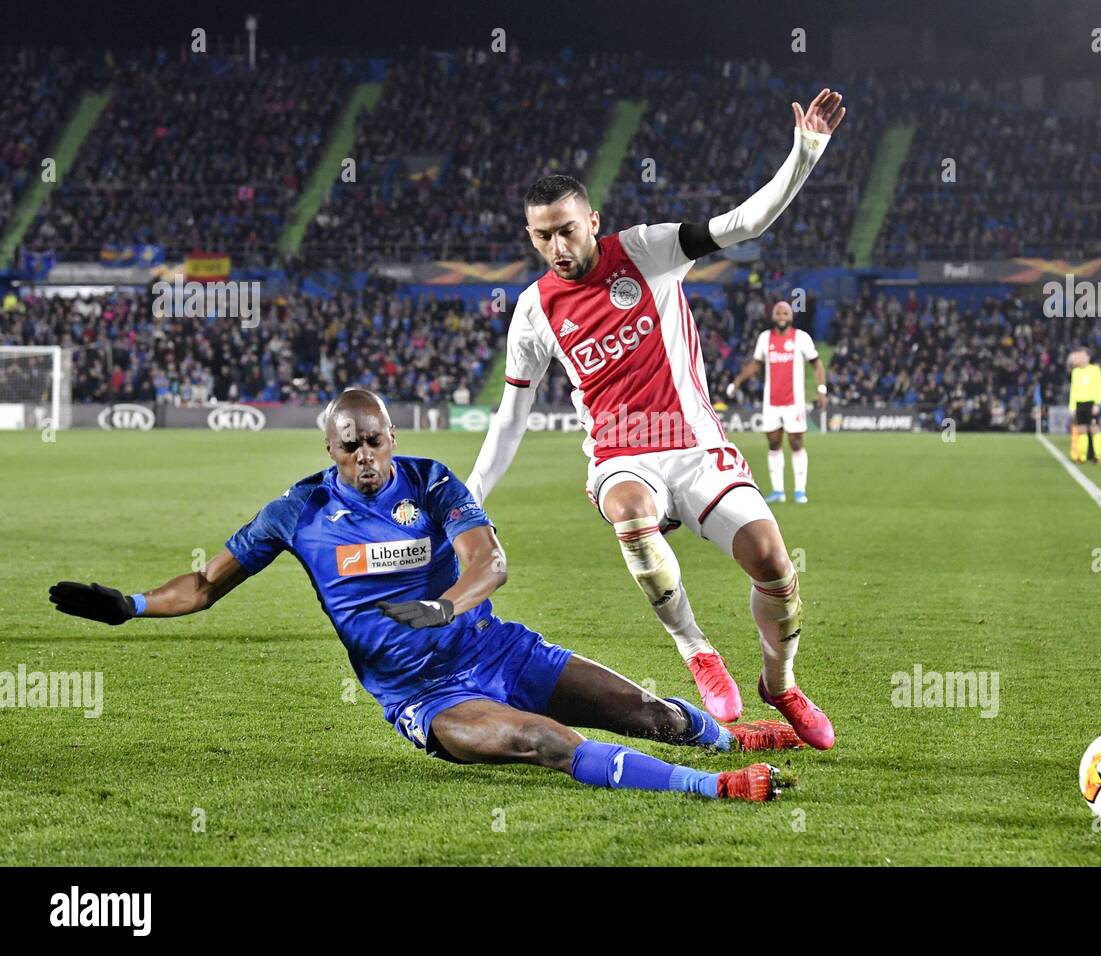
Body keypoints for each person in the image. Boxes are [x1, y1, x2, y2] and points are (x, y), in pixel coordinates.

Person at [47, 389, 804, 802]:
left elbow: (491, 563)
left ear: (390, 436)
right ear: (330, 449)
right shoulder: (297, 512)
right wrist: (131, 606)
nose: (369, 455)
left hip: (497, 648)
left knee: (649, 711)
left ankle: (727, 737)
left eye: (377, 439)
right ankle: (715, 787)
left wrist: (447, 606)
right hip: (428, 696)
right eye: (352, 445)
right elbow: (206, 585)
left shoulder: (431, 479)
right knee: (541, 741)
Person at [465, 90, 846, 747]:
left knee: (774, 566)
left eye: (567, 229)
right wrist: (470, 500)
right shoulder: (533, 310)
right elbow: (510, 414)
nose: (557, 245)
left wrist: (803, 155)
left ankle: (779, 684)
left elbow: (744, 223)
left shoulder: (646, 250)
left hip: (696, 443)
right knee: (631, 512)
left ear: (593, 221)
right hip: (621, 452)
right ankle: (694, 647)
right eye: (542, 235)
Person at [726, 300, 827, 503]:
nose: (782, 315)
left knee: (796, 441)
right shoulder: (765, 338)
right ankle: (778, 491)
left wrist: (821, 389)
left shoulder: (801, 338)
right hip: (771, 402)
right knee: (773, 442)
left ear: (791, 316)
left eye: (785, 312)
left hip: (794, 402)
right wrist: (738, 381)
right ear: (773, 316)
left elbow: (817, 365)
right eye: (778, 312)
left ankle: (800, 491)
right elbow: (755, 364)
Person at [1068, 348, 1101, 463]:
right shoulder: (1075, 372)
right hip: (1079, 404)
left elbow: (1099, 387)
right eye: (1078, 356)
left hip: (1091, 403)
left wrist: (1097, 404)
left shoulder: (1095, 370)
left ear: (1088, 357)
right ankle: (1082, 456)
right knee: (1081, 430)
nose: (1079, 358)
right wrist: (1072, 406)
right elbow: (1073, 390)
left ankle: (1098, 455)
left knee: (1094, 429)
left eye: (1082, 356)